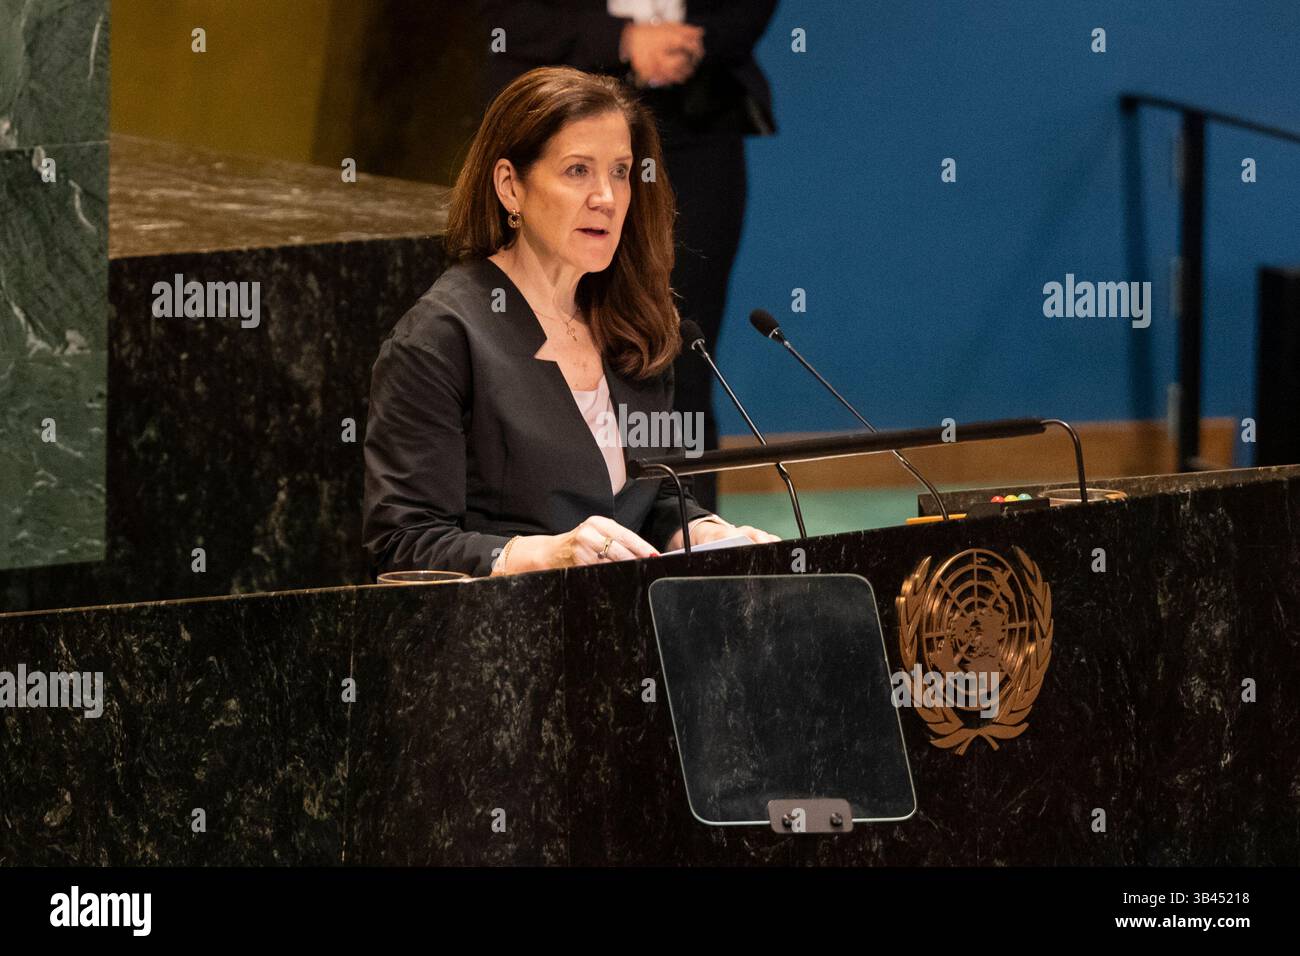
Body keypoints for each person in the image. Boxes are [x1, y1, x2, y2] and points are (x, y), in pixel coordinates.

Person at [363, 66, 778, 578]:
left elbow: (653, 501)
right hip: (505, 639)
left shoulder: (635, 326)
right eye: (578, 170)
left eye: (621, 171)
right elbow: (406, 544)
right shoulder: (441, 339)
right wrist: (543, 553)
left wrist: (708, 532)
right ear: (510, 187)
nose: (606, 197)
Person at [476, 1, 779, 512]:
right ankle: (553, 529)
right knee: (540, 335)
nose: (608, 198)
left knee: (681, 347)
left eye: (620, 176)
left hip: (698, 114)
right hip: (551, 107)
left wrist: (692, 37)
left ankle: (691, 541)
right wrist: (618, 37)